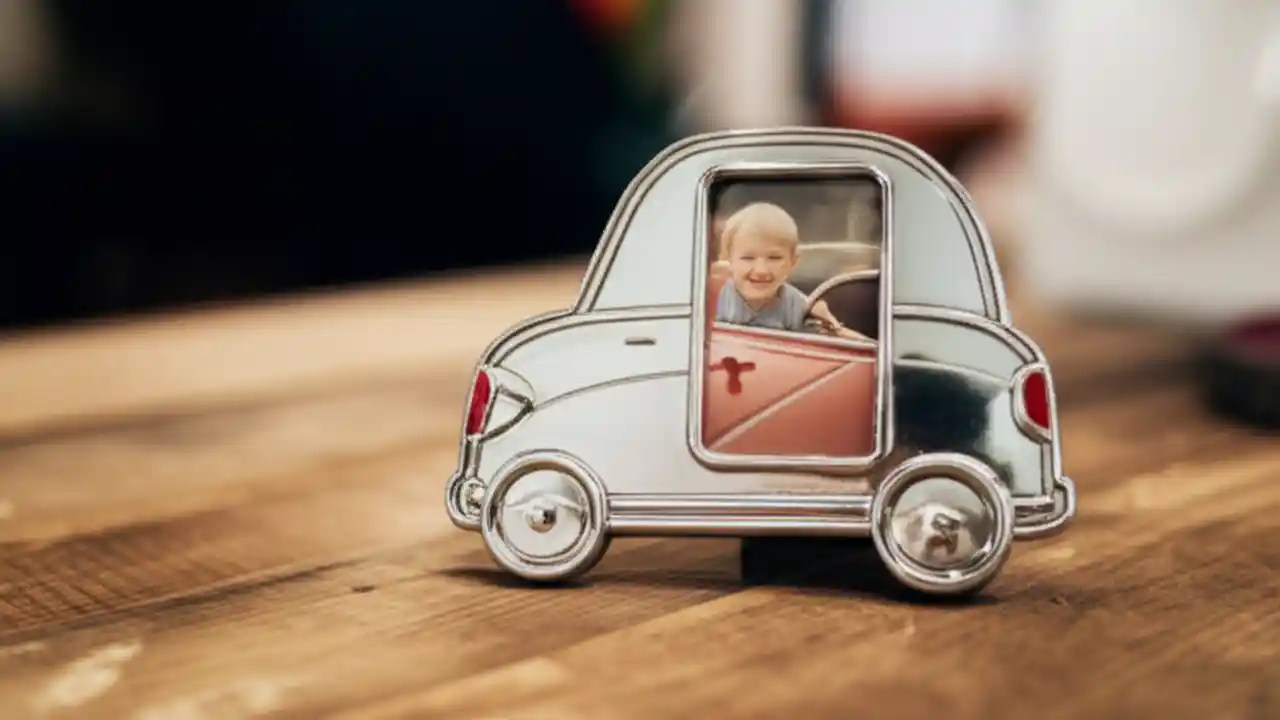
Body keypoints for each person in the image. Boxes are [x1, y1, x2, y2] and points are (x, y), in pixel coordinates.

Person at [714, 202, 870, 341]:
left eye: (774, 258)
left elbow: (838, 340)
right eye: (748, 258)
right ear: (728, 260)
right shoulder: (713, 296)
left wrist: (831, 324)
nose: (761, 270)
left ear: (793, 261)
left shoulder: (797, 306)